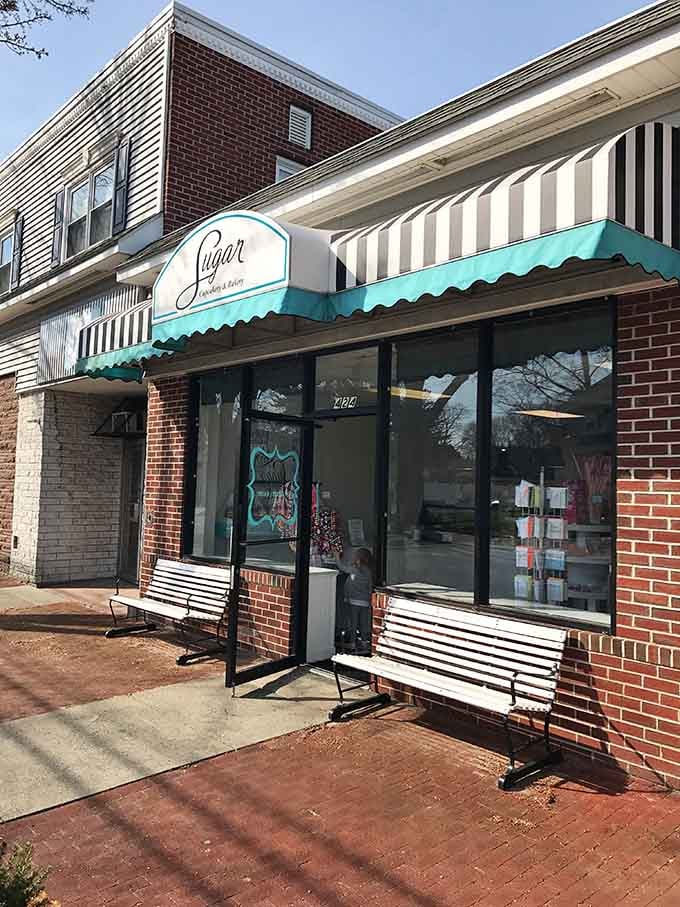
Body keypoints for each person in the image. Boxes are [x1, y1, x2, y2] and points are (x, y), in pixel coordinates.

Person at [335, 548, 373, 654]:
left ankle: (352, 642)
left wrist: (337, 556)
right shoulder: (369, 572)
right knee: (363, 623)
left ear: (357, 559)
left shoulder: (354, 569)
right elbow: (370, 587)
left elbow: (341, 567)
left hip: (354, 601)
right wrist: (369, 600)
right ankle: (365, 642)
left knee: (354, 623)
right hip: (365, 601)